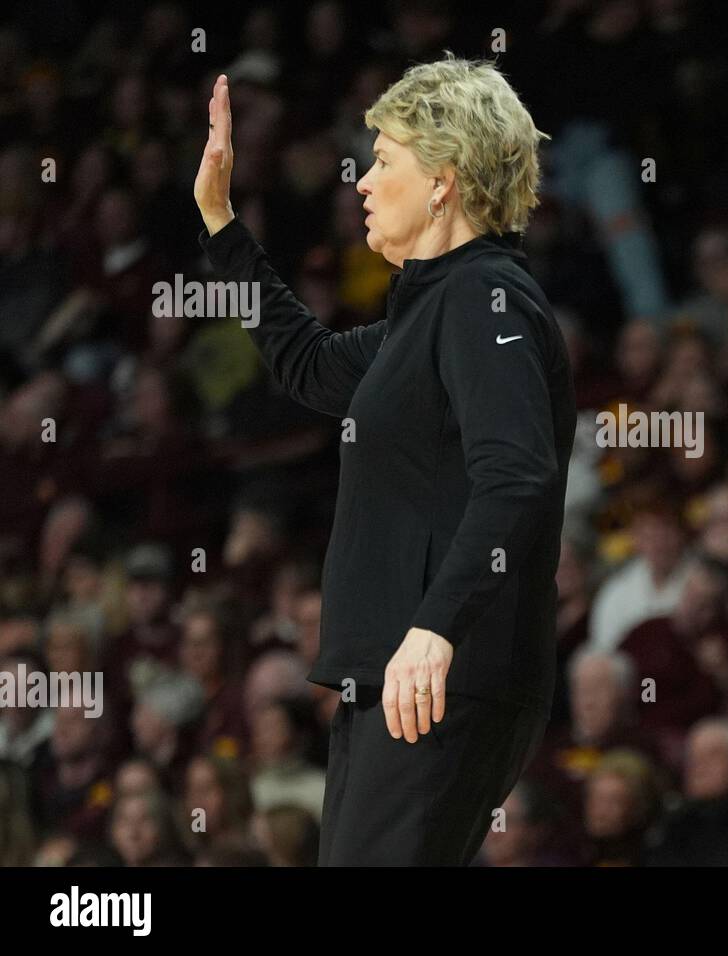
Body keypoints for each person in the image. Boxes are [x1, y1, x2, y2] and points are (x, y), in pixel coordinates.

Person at [193, 56, 576, 865]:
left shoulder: (484, 296)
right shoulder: (431, 306)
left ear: (443, 178)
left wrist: (436, 627)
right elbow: (311, 364)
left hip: (441, 673)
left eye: (384, 161)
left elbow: (520, 474)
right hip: (403, 676)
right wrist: (222, 224)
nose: (363, 182)